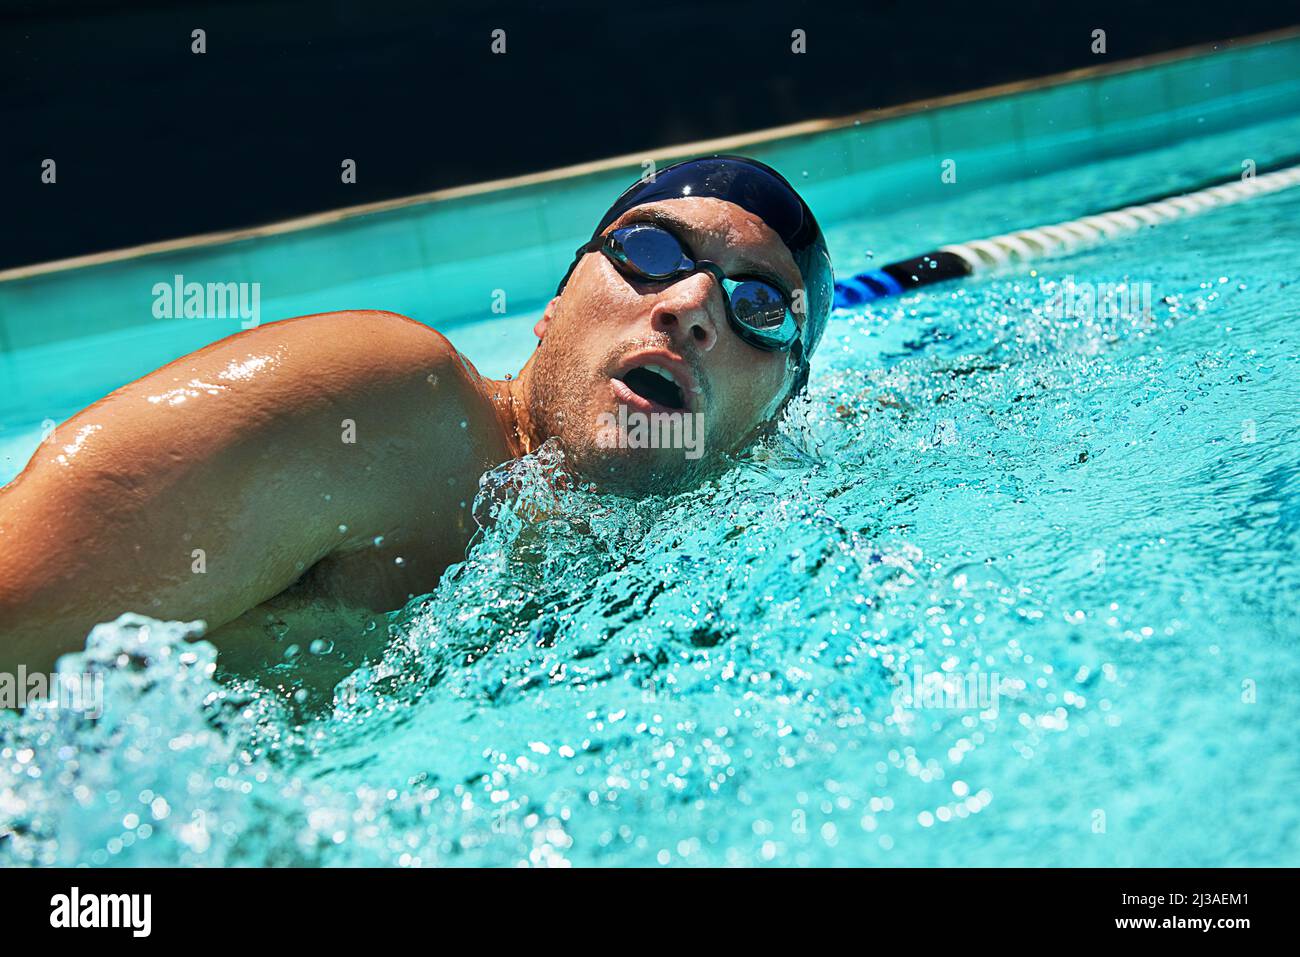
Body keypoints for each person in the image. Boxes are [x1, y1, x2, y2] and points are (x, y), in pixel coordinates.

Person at [0, 155, 833, 674]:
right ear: (552, 308)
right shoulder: (391, 404)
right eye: (650, 250)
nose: (691, 305)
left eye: (758, 305)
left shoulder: (707, 567)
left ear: (771, 418)